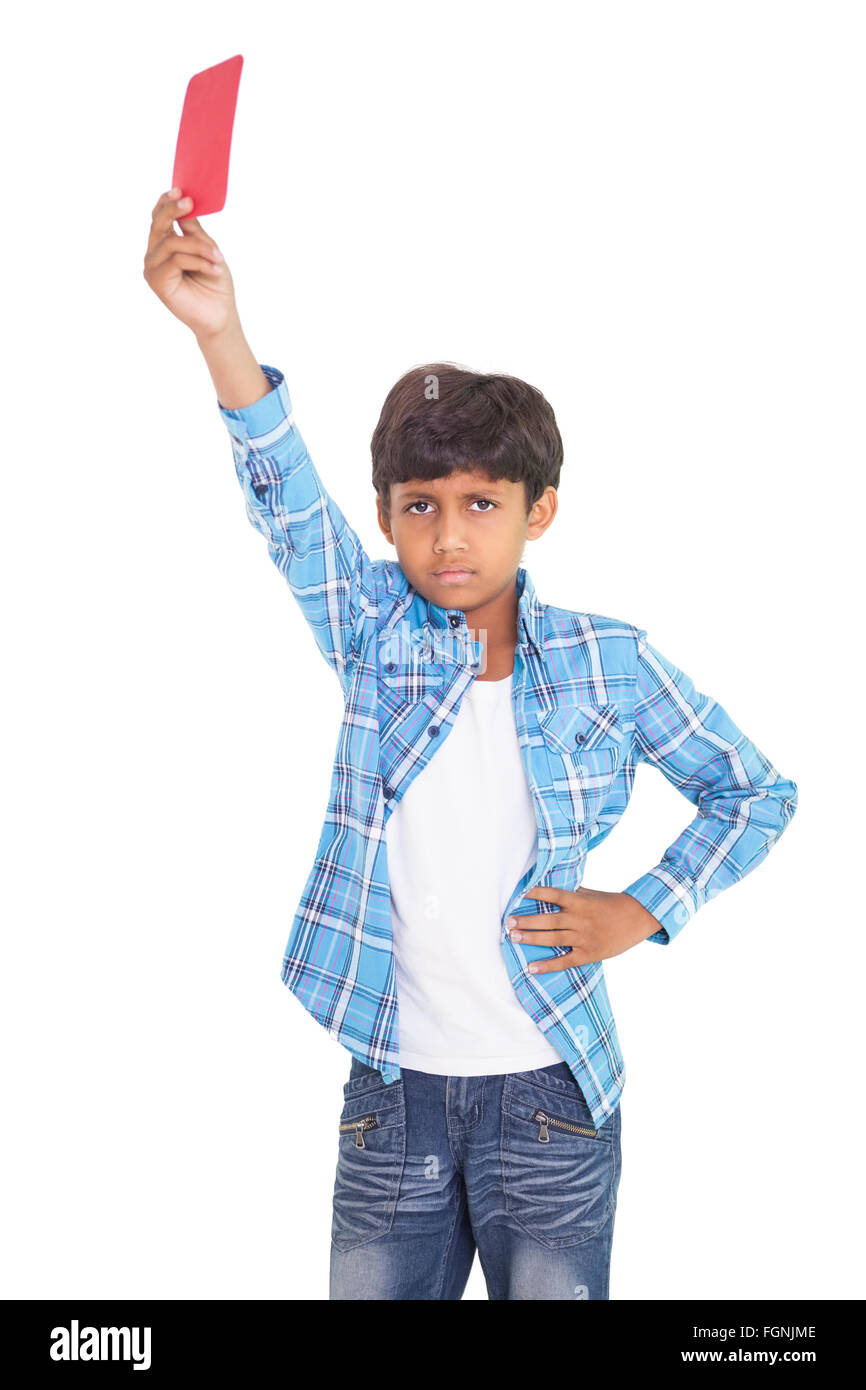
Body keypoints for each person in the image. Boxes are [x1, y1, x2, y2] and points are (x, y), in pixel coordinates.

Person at [143, 188, 799, 1300]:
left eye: (480, 504)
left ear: (538, 510)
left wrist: (643, 907)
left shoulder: (607, 661)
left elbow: (753, 792)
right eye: (417, 505)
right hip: (391, 1097)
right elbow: (289, 506)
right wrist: (220, 332)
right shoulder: (371, 632)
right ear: (390, 513)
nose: (447, 536)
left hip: (548, 1098)